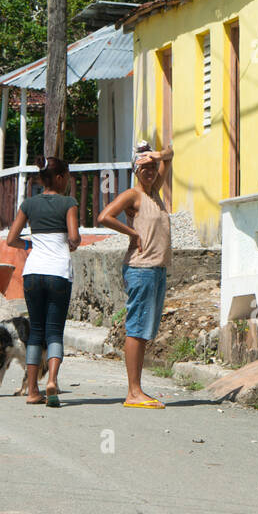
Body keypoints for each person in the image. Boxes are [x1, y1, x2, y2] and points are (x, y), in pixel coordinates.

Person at [97, 142, 173, 409]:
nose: (150, 171)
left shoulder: (155, 193)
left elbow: (171, 153)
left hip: (156, 268)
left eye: (153, 167)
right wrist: (132, 233)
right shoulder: (134, 194)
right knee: (137, 328)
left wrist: (157, 155)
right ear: (135, 171)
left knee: (144, 330)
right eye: (144, 168)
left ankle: (137, 388)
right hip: (141, 268)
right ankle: (133, 391)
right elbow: (104, 216)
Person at [6, 156, 80, 407]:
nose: (68, 180)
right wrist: (70, 243)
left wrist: (30, 243)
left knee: (35, 332)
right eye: (67, 176)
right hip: (58, 273)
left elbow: (11, 239)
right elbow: (74, 237)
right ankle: (53, 382)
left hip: (32, 273)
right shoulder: (69, 203)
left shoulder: (29, 204)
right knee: (54, 332)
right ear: (59, 178)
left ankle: (33, 391)